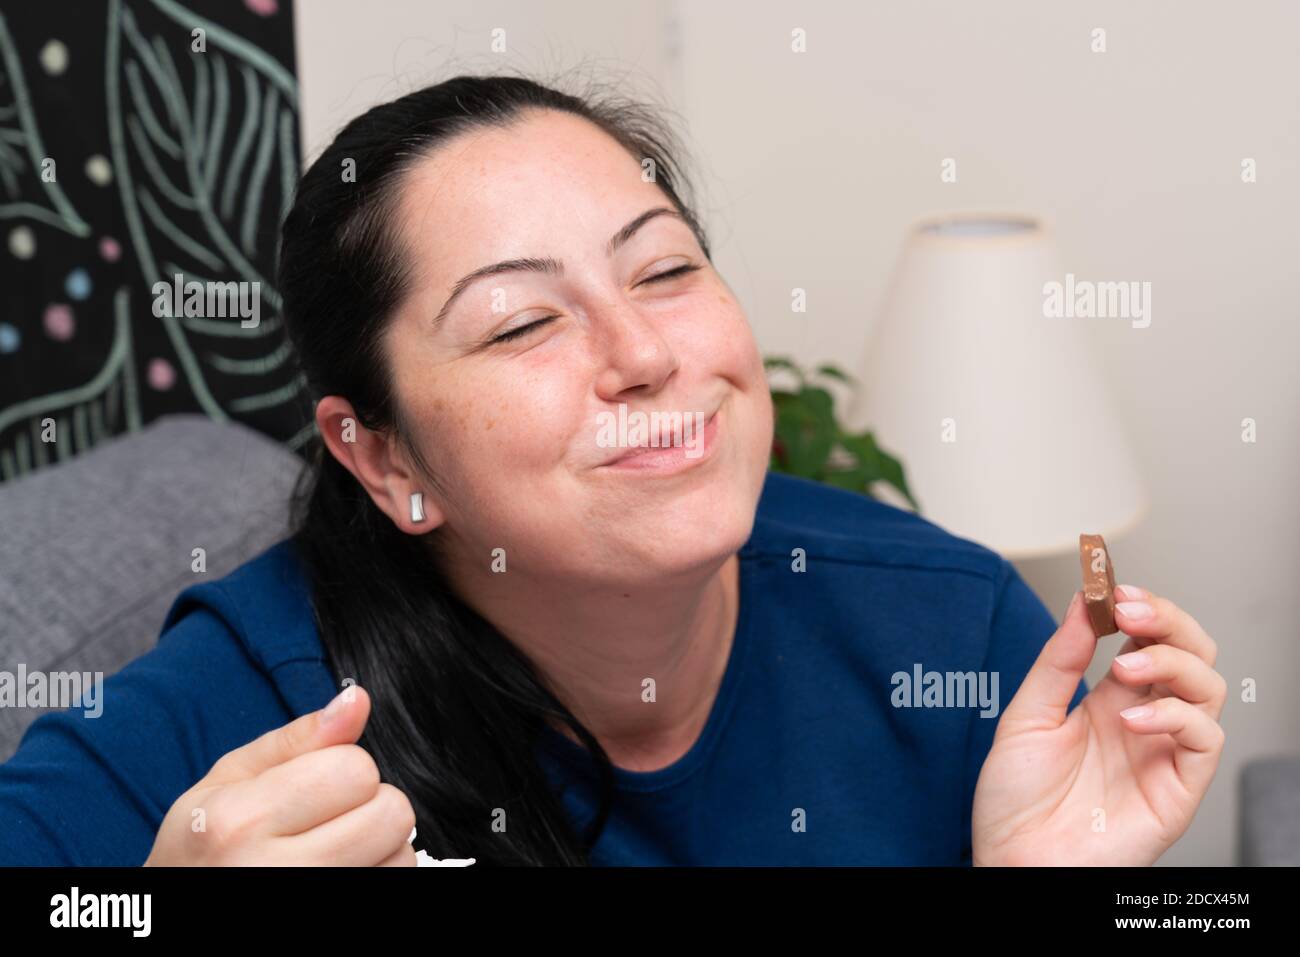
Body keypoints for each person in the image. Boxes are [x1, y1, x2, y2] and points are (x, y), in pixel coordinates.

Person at [0, 73, 1225, 866]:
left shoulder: (951, 631)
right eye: (524, 323)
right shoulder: (241, 705)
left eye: (665, 271)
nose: (643, 354)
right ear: (381, 458)